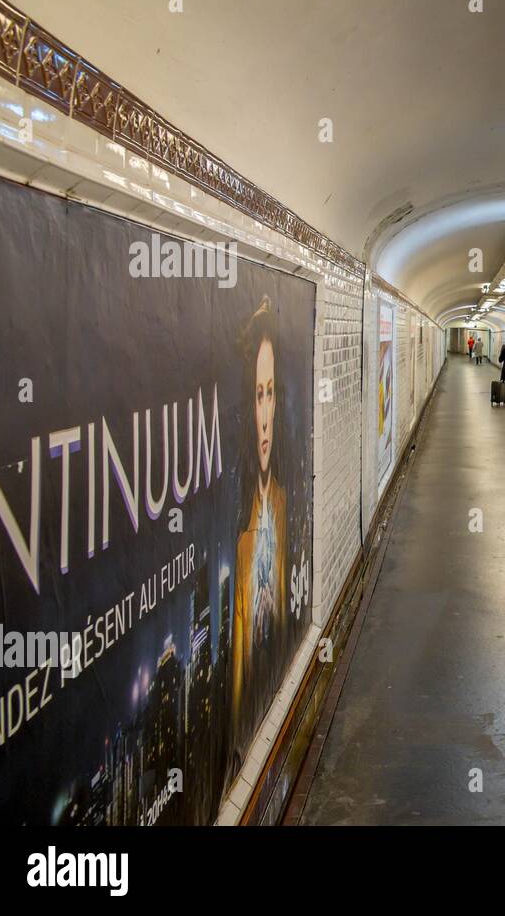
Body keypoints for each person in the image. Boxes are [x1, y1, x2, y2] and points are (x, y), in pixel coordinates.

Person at [232, 296, 289, 770]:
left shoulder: (284, 508)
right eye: (257, 394)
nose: (266, 412)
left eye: (271, 392)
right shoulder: (241, 535)